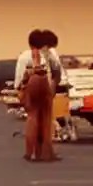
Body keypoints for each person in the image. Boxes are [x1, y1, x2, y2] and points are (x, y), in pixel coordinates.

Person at [16, 29, 61, 162]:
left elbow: (19, 79)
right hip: (45, 83)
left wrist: (20, 91)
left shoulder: (24, 55)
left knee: (32, 117)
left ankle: (31, 152)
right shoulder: (49, 53)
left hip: (32, 83)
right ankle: (47, 152)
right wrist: (52, 87)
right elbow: (57, 71)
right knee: (46, 119)